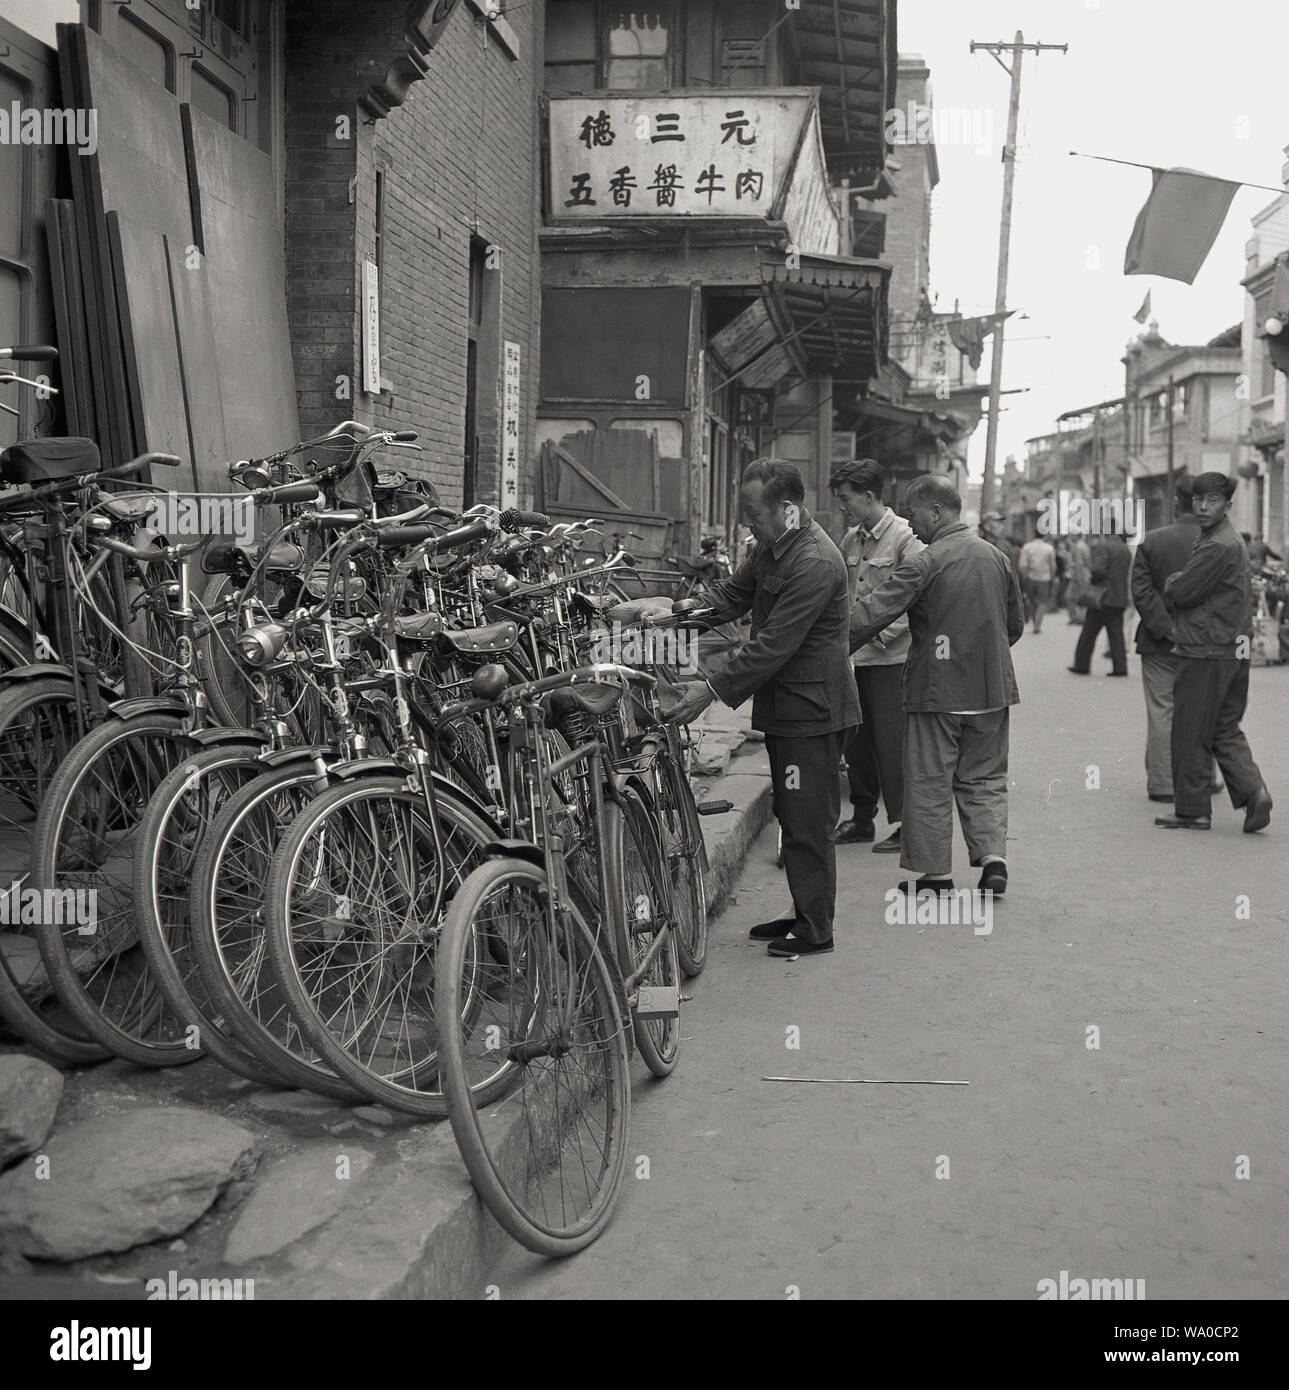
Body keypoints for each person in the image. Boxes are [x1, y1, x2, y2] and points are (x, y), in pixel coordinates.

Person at [668, 459, 860, 956]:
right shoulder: (772, 547)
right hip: (788, 707)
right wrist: (670, 617)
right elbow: (733, 597)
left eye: (752, 512)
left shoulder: (815, 561)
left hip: (813, 711)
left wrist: (708, 690)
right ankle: (804, 911)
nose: (746, 522)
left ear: (787, 509)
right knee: (791, 811)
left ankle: (816, 929)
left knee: (807, 818)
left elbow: (773, 644)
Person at [849, 474, 1024, 896]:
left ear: (937, 512)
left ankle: (936, 876)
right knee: (984, 777)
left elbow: (874, 612)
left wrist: (825, 644)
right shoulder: (996, 557)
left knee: (929, 779)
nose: (912, 524)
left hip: (937, 692)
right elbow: (1013, 625)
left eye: (915, 514)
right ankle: (993, 859)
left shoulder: (926, 561)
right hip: (990, 690)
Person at [1155, 473, 1273, 832]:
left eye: (1212, 501)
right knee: (1224, 727)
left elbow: (1183, 591)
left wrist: (1172, 581)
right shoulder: (1228, 539)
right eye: (1198, 501)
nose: (1203, 508)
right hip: (1233, 647)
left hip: (1206, 649)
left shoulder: (1216, 545)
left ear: (1227, 506)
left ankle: (1192, 811)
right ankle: (1254, 793)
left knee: (1191, 730)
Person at [828, 459, 923, 853]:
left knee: (893, 743)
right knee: (857, 742)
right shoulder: (852, 539)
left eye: (846, 499)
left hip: (891, 659)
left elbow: (914, 595)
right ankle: (862, 820)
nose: (842, 507)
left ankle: (904, 825)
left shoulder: (905, 539)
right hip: (855, 658)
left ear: (869, 496)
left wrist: (874, 634)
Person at [1131, 475, 1202, 802]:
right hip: (1204, 641)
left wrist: (1167, 630)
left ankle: (1161, 782)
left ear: (1176, 503)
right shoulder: (1218, 542)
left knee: (1161, 710)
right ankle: (1202, 777)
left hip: (1159, 642)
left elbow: (1142, 592)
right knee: (1201, 710)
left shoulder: (1153, 541)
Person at [1068, 521, 1130, 676]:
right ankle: (1120, 667)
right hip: (1119, 597)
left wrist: (1093, 578)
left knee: (1088, 633)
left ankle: (1081, 664)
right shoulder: (1125, 548)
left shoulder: (1105, 546)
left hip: (1102, 597)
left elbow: (1099, 570)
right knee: (1116, 635)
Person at [1018, 532, 1058, 633]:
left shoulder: (1027, 547)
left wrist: (1025, 576)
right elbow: (1053, 565)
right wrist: (1052, 578)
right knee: (1042, 601)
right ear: (1044, 536)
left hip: (1030, 577)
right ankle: (1037, 624)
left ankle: (1034, 621)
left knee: (1031, 600)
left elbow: (1022, 564)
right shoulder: (1049, 548)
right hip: (1045, 578)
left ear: (1034, 535)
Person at [1066, 533, 1092, 624]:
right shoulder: (1083, 545)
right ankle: (1080, 617)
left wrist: (1077, 577)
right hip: (1084, 574)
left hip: (1080, 575)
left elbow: (1079, 563)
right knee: (1079, 597)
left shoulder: (1079, 547)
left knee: (1072, 597)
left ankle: (1079, 618)